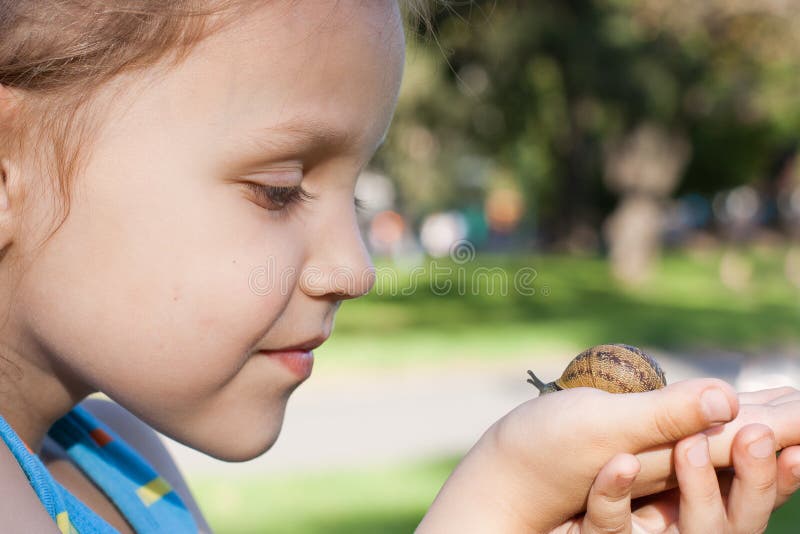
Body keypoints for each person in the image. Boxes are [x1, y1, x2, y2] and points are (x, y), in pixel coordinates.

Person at [0, 1, 798, 532]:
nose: (357, 270)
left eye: (353, 194)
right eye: (280, 189)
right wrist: (495, 500)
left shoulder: (125, 456)